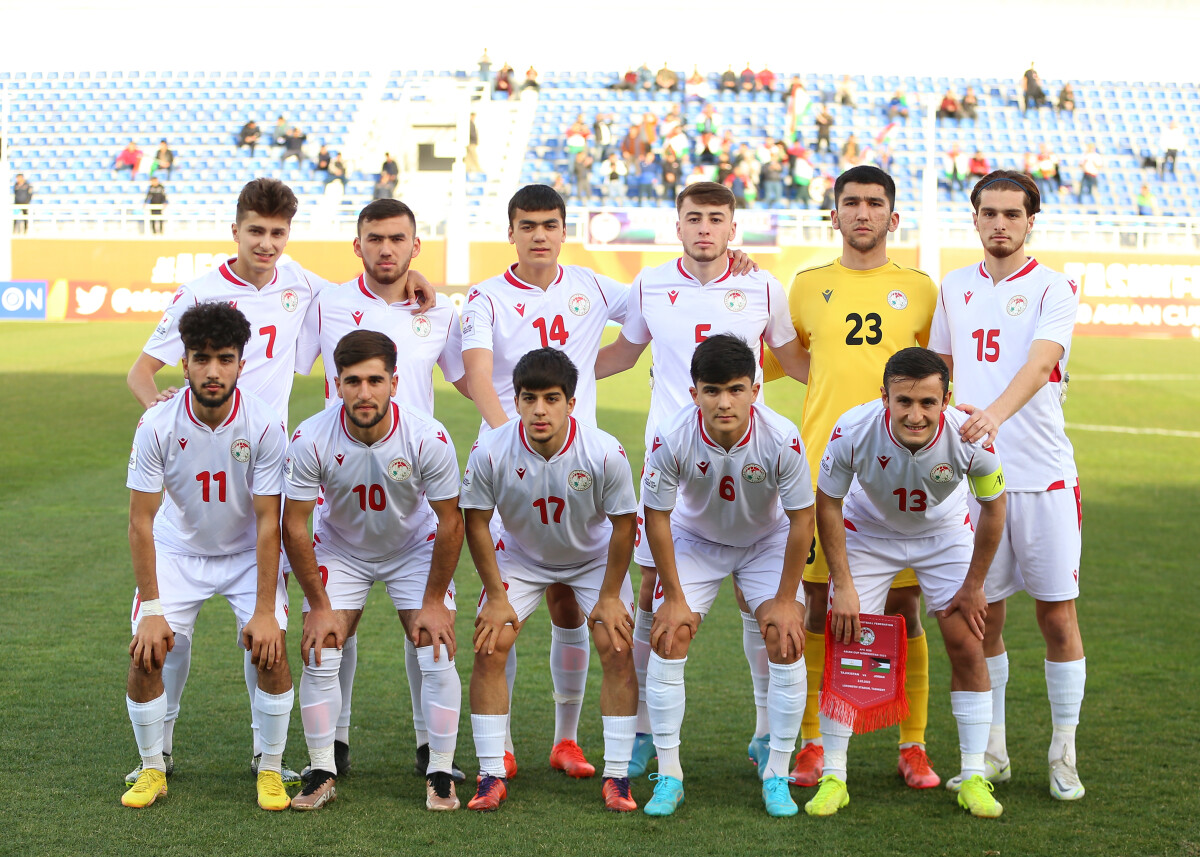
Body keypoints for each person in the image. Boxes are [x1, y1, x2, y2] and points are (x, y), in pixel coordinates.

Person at [124, 178, 434, 789]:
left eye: (277, 233)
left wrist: (412, 283)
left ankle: (265, 757)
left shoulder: (302, 285)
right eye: (255, 231)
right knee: (167, 640)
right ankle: (155, 754)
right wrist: (159, 406)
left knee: (265, 631)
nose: (266, 243)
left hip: (269, 465)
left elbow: (366, 293)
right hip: (200, 451)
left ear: (288, 236)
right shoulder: (200, 292)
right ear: (234, 231)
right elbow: (143, 371)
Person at [595, 181, 809, 781]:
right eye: (695, 218)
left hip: (746, 459)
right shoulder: (650, 285)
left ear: (732, 227)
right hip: (673, 463)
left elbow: (792, 362)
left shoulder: (762, 284)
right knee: (649, 598)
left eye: (717, 218)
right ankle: (639, 731)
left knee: (758, 601)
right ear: (678, 225)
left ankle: (768, 733)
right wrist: (539, 381)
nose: (705, 229)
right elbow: (621, 354)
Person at [761, 165, 941, 790]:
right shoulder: (806, 285)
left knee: (903, 605)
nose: (862, 213)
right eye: (851, 203)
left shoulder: (920, 289)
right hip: (822, 469)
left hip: (903, 473)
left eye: (874, 203)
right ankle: (813, 742)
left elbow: (938, 375)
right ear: (833, 215)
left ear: (893, 217)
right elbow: (786, 356)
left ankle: (912, 744)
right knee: (820, 605)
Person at [459, 184, 632, 781]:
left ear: (564, 230)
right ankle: (499, 748)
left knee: (568, 606)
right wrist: (516, 437)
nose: (539, 234)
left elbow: (637, 338)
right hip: (512, 461)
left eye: (549, 224)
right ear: (510, 230)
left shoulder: (595, 286)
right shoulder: (484, 297)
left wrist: (578, 390)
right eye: (527, 224)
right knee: (500, 621)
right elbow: (477, 374)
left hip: (576, 461)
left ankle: (566, 741)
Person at [291, 198, 466, 781]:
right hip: (339, 486)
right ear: (358, 244)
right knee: (334, 628)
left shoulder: (439, 312)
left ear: (416, 246)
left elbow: (473, 379)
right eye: (374, 239)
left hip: (415, 488)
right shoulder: (325, 302)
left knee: (428, 631)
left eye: (398, 240)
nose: (386, 249)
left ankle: (431, 752)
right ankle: (331, 748)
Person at [929, 169, 1087, 803]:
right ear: (975, 219)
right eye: (988, 213)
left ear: (1030, 222)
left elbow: (1042, 362)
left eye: (1011, 214)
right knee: (981, 618)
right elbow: (940, 370)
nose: (999, 224)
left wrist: (992, 413)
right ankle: (993, 749)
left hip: (1044, 477)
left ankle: (1063, 751)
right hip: (976, 484)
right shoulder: (954, 287)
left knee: (1056, 618)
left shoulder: (1055, 286)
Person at [805, 347, 1006, 819]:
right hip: (868, 533)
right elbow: (828, 502)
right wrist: (844, 583)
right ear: (885, 398)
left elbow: (995, 508)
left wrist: (975, 585)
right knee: (846, 641)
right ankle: (835, 776)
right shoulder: (852, 429)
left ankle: (974, 777)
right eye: (904, 402)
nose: (915, 415)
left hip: (943, 535)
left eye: (928, 403)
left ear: (946, 399)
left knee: (967, 640)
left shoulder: (971, 437)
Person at [121, 302, 293, 811]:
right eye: (201, 358)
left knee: (272, 649)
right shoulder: (156, 424)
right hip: (178, 552)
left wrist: (265, 610)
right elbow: (141, 521)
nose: (213, 371)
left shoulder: (263, 425)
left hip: (244, 553)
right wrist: (151, 611)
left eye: (224, 358)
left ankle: (271, 766)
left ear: (242, 363)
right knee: (146, 653)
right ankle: (153, 766)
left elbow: (269, 522)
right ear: (184, 362)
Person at [639, 334, 816, 817]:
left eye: (736, 389)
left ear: (755, 390)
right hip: (697, 539)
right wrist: (672, 596)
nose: (724, 402)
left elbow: (802, 518)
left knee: (785, 635)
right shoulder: (671, 436)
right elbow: (656, 516)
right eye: (712, 390)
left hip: (765, 541)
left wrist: (784, 600)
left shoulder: (781, 436)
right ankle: (669, 774)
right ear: (694, 391)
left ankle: (776, 771)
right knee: (670, 634)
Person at [461, 348, 640, 812]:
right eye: (530, 398)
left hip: (591, 559)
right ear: (516, 401)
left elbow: (624, 524)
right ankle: (490, 774)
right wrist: (497, 597)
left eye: (552, 398)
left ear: (571, 403)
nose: (540, 410)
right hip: (521, 557)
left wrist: (608, 596)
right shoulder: (491, 449)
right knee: (489, 642)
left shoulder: (604, 451)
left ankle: (618, 777)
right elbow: (476, 521)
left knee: (618, 645)